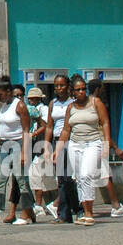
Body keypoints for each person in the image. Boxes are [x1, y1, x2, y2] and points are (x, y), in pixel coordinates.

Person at [52, 75, 113, 226]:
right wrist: (58, 149)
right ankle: (84, 212)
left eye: (83, 89)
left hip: (92, 143)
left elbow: (105, 122)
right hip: (75, 144)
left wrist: (106, 143)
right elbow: (66, 130)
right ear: (73, 92)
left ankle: (89, 212)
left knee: (87, 174)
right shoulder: (70, 107)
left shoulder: (95, 102)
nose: (81, 92)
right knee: (79, 178)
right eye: (78, 90)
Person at [0, 79, 34, 225]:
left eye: (1, 94)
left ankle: (26, 214)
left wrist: (24, 152)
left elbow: (26, 129)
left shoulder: (20, 106)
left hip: (17, 144)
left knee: (21, 180)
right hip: (4, 145)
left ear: (8, 92)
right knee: (0, 179)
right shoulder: (4, 106)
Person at [87, 79, 123, 218]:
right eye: (102, 88)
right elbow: (103, 128)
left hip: (89, 144)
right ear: (98, 89)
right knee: (105, 176)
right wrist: (115, 147)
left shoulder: (85, 104)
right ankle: (115, 206)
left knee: (91, 176)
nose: (103, 90)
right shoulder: (96, 104)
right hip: (98, 144)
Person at [45, 75, 80, 222]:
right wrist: (47, 146)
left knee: (66, 178)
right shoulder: (53, 104)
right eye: (56, 86)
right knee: (63, 179)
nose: (59, 88)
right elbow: (49, 126)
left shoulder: (73, 103)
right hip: (56, 140)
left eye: (62, 85)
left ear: (68, 86)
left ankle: (66, 213)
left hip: (70, 140)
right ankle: (75, 210)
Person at [24, 86, 57, 216]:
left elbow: (47, 125)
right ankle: (41, 204)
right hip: (35, 146)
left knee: (40, 175)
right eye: (30, 98)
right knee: (38, 176)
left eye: (33, 98)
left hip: (43, 145)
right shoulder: (32, 109)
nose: (31, 100)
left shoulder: (43, 110)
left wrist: (35, 133)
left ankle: (40, 205)